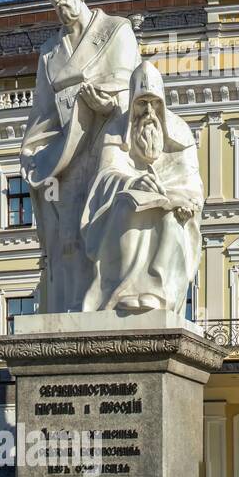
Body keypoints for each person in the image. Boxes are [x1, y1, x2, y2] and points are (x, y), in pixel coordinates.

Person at [20, 0, 141, 313]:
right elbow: (42, 113)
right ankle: (73, 310)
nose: (58, 1)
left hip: (109, 141)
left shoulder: (116, 30)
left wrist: (111, 100)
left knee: (104, 226)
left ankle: (110, 304)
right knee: (68, 237)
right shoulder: (48, 53)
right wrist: (35, 154)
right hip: (67, 153)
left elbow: (133, 89)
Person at [81, 61, 203, 314]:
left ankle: (157, 292)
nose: (149, 110)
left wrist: (187, 204)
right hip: (123, 207)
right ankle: (125, 290)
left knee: (169, 215)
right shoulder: (115, 130)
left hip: (173, 207)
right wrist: (131, 182)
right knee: (126, 206)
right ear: (133, 101)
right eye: (142, 102)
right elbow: (106, 174)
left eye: (155, 102)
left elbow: (191, 182)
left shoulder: (181, 131)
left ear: (163, 102)